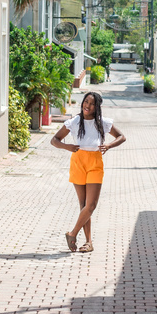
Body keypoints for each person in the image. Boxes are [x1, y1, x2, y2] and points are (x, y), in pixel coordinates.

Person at [51, 91, 126, 253]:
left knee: (91, 205)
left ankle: (72, 234)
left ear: (96, 107)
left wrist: (108, 146)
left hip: (95, 163)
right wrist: (67, 147)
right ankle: (88, 242)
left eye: (92, 104)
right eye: (86, 102)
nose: (87, 106)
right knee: (83, 205)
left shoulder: (102, 123)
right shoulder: (75, 122)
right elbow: (54, 140)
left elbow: (121, 137)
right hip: (78, 161)